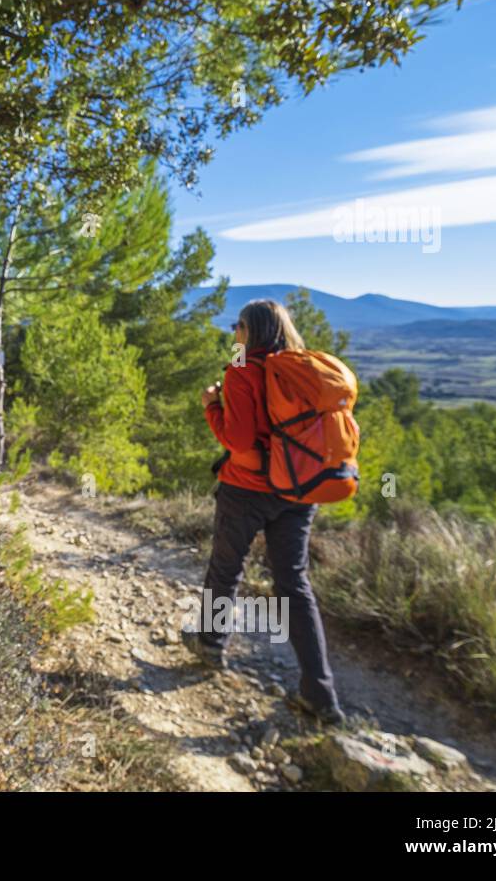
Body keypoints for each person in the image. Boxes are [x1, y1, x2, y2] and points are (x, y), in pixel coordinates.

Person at [182, 299, 346, 726]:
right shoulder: (300, 369)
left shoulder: (242, 369)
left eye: (238, 325)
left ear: (249, 330)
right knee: (294, 583)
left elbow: (238, 440)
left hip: (247, 489)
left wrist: (211, 406)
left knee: (226, 567)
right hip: (297, 490)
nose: (233, 331)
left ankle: (210, 644)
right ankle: (320, 694)